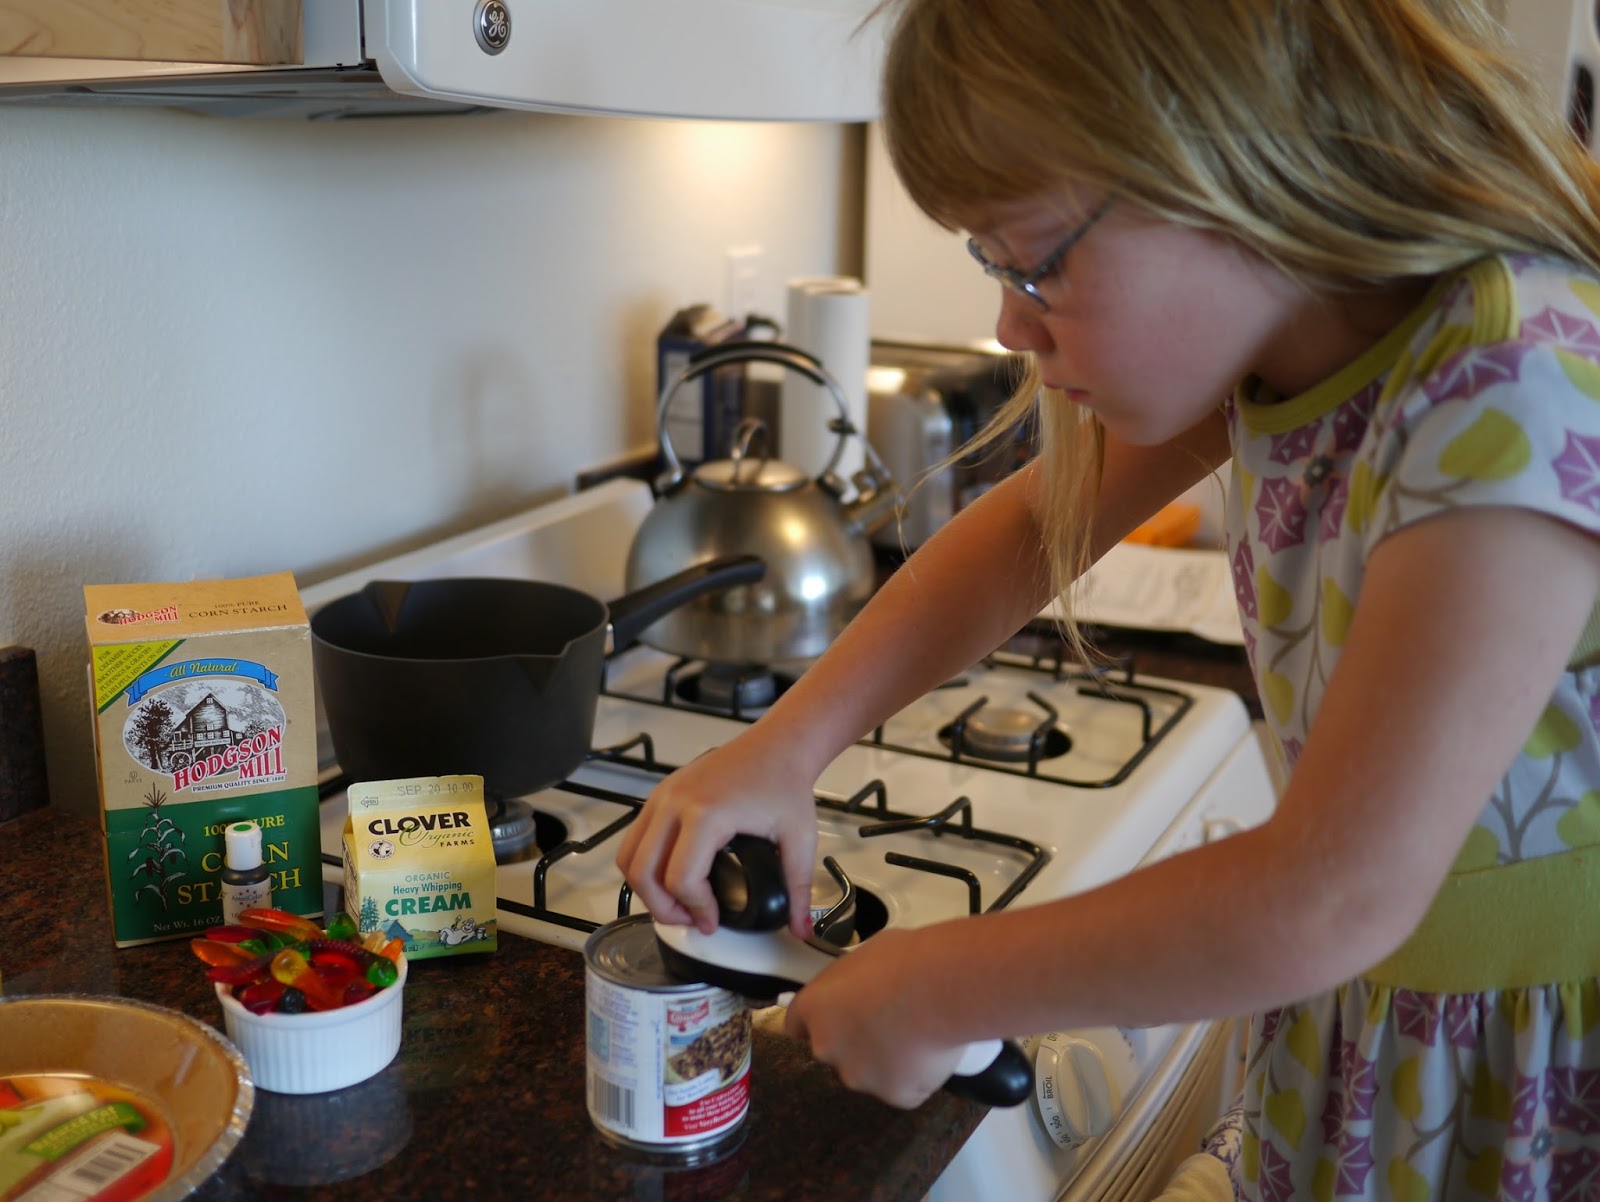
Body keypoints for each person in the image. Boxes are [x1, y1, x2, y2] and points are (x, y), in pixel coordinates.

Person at [618, 0, 1600, 1194]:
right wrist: (787, 741)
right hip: (1371, 1039)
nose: (1005, 319)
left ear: (1229, 161)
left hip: (1528, 1077)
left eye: (1033, 261)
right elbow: (1032, 526)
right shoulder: (1299, 336)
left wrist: (947, 979)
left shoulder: (1512, 386)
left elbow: (1333, 889)